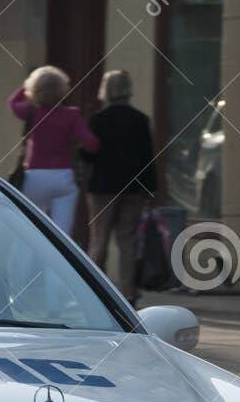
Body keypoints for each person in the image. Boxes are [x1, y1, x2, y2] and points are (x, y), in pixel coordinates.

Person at [80, 70, 156, 304]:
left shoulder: (97, 119)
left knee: (99, 240)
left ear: (106, 90)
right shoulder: (141, 119)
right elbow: (148, 157)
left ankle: (94, 292)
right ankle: (128, 292)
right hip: (133, 188)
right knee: (127, 241)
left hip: (102, 187)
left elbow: (87, 154)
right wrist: (150, 190)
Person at [8, 66, 98, 239]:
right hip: (62, 176)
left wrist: (26, 85)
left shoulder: (30, 111)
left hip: (34, 177)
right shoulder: (72, 115)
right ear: (62, 89)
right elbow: (91, 144)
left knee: (30, 231)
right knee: (62, 236)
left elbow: (12, 103)